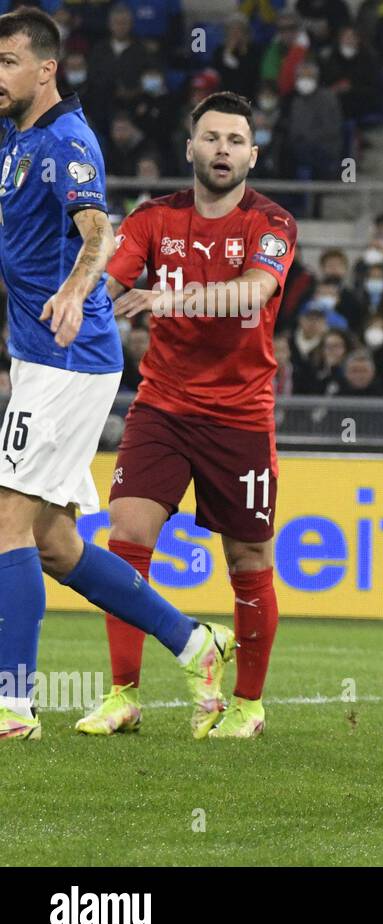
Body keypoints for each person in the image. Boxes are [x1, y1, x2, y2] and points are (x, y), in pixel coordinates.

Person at [0, 10, 232, 741]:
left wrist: (73, 289)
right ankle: (195, 642)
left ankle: (12, 703)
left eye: (6, 62)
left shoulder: (69, 141)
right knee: (55, 545)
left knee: (4, 522)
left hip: (66, 358)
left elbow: (100, 231)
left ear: (45, 70)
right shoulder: (17, 138)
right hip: (44, 357)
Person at [78, 91, 296, 740]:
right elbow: (106, 288)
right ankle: (123, 696)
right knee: (127, 538)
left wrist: (166, 297)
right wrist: (79, 294)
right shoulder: (153, 220)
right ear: (190, 148)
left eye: (235, 140)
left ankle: (247, 706)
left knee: (248, 560)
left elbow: (254, 293)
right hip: (162, 409)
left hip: (240, 416)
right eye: (212, 138)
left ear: (252, 155)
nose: (223, 149)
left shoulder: (272, 223)